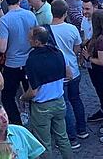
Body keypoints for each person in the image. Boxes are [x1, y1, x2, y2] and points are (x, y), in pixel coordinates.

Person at [23, 26, 72, 159]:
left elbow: (33, 92)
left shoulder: (32, 60)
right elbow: (69, 75)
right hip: (59, 101)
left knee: (44, 143)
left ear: (37, 42)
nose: (28, 41)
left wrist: (23, 97)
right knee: (63, 138)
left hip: (42, 107)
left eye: (30, 39)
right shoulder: (58, 52)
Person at [0, 0, 38, 124]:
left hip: (12, 64)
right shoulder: (30, 15)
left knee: (7, 96)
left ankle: (16, 123)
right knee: (32, 92)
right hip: (30, 62)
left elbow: (2, 47)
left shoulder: (5, 20)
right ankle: (36, 120)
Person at [46, 1, 86, 146]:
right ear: (65, 13)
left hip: (59, 73)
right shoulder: (72, 29)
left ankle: (71, 136)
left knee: (65, 103)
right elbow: (77, 48)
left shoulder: (47, 31)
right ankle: (82, 129)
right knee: (76, 99)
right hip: (74, 70)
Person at [84, 10, 103, 126]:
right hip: (100, 73)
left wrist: (88, 57)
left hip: (101, 73)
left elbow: (101, 61)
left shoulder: (101, 39)